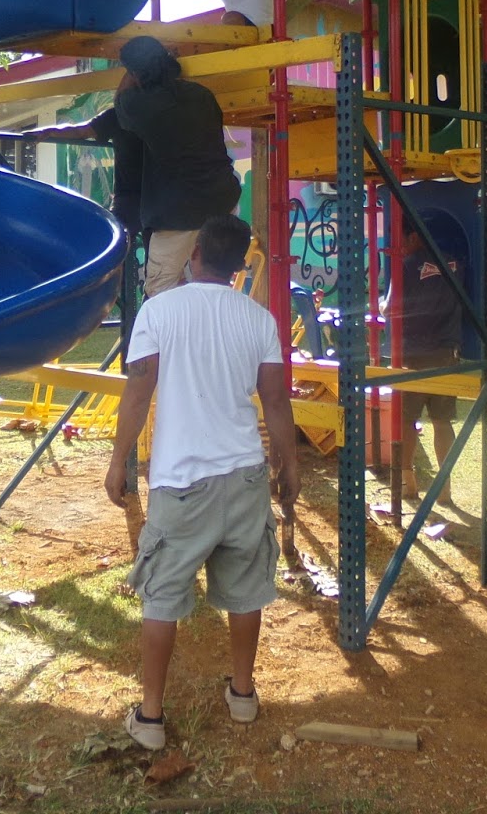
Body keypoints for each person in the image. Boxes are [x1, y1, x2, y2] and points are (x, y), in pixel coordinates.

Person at [105, 214, 299, 751]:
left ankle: (150, 717)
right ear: (240, 266)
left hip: (180, 481)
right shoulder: (259, 319)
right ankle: (242, 694)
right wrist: (291, 466)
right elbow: (278, 402)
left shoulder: (159, 311)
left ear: (194, 256)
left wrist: (119, 461)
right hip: (245, 474)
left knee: (162, 597)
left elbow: (138, 393)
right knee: (244, 593)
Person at [113, 35, 242, 297]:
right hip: (222, 199)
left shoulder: (139, 105)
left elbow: (120, 100)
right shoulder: (201, 95)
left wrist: (130, 73)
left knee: (161, 291)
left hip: (178, 213)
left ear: (135, 73)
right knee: (214, 284)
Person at [384, 217, 463, 506]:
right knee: (443, 421)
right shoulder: (455, 263)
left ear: (414, 237)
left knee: (407, 420)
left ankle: (408, 483)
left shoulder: (404, 267)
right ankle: (445, 488)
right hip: (446, 353)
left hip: (413, 356)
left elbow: (389, 308)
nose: (399, 247)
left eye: (402, 240)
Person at [18, 76, 144, 238]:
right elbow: (81, 131)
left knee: (114, 243)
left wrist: (49, 132)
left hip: (134, 197)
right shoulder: (123, 115)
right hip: (152, 196)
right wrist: (49, 132)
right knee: (119, 241)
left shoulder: (119, 115)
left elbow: (81, 132)